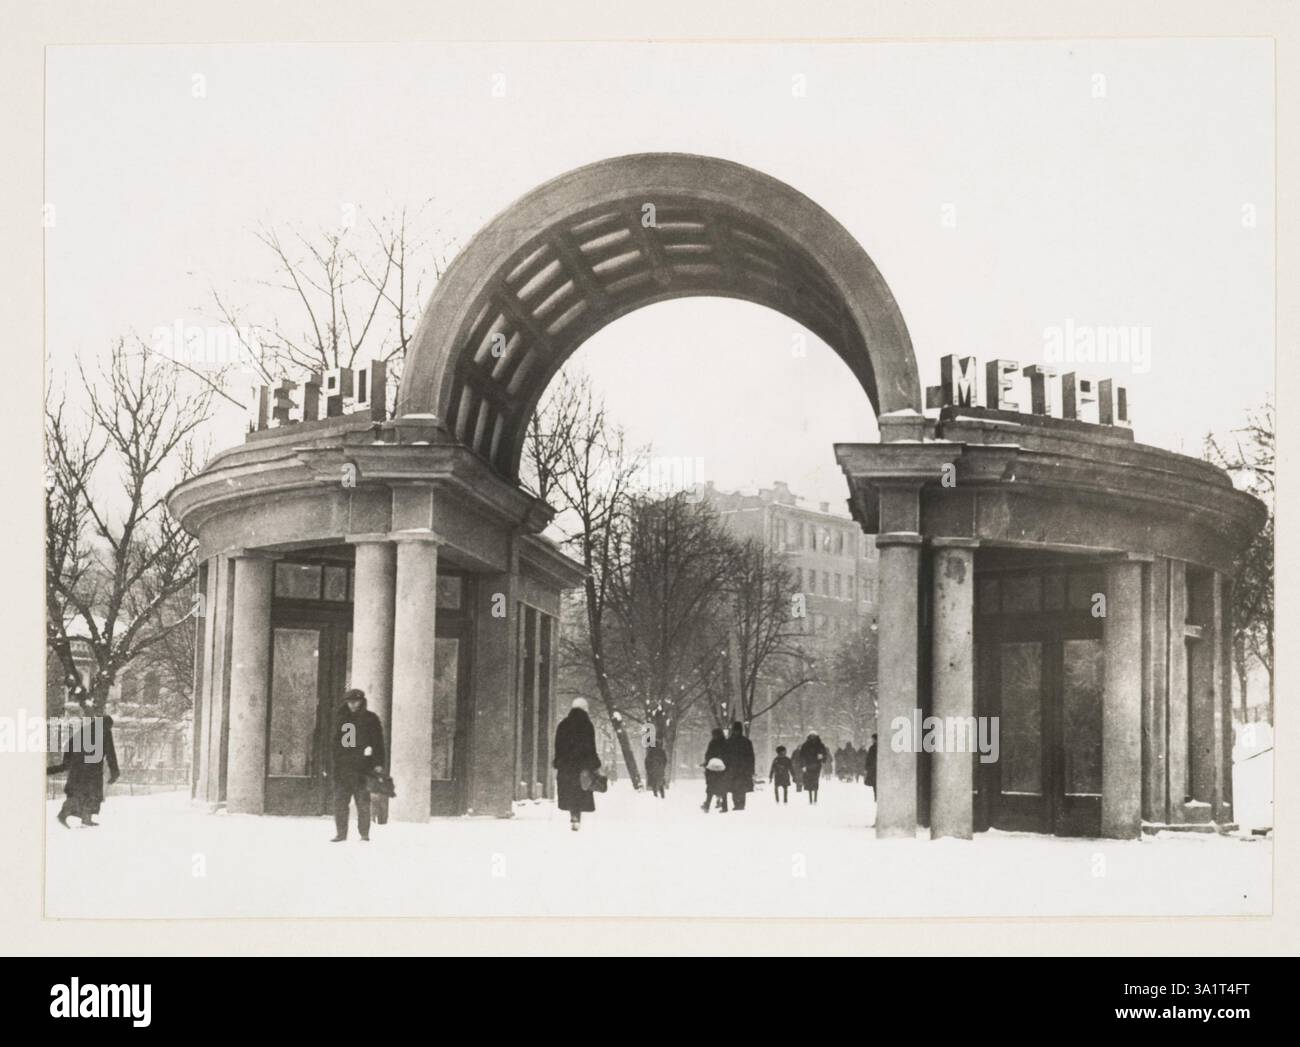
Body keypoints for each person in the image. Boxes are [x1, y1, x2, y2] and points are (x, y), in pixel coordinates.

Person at [47, 698, 119, 828]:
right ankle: (64, 815)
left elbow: (70, 744)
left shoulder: (87, 729)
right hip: (91, 771)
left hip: (79, 769)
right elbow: (111, 753)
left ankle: (84, 818)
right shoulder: (105, 732)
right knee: (91, 794)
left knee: (80, 793)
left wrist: (67, 762)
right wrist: (115, 772)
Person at [331, 688, 385, 842]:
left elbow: (378, 743)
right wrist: (334, 763)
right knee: (340, 801)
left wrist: (378, 763)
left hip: (362, 768)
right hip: (343, 768)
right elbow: (334, 743)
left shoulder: (371, 719)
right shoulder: (340, 718)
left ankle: (364, 834)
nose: (353, 705)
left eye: (356, 702)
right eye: (350, 702)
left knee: (362, 801)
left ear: (362, 702)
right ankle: (341, 833)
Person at [554, 697, 601, 831]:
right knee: (581, 789)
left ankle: (573, 814)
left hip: (566, 765)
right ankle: (577, 815)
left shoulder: (563, 724)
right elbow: (591, 746)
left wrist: (558, 761)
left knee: (569, 790)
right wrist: (594, 763)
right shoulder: (587, 725)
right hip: (582, 765)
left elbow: (558, 745)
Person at [723, 721, 755, 811]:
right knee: (737, 787)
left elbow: (750, 756)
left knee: (738, 787)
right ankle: (738, 804)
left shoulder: (730, 742)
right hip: (740, 769)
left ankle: (739, 804)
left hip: (737, 769)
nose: (736, 732)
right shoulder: (745, 742)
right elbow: (751, 757)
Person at [797, 731, 829, 804]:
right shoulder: (806, 745)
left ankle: (814, 797)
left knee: (814, 781)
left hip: (816, 765)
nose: (813, 738)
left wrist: (822, 757)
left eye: (813, 736)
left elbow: (825, 753)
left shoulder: (819, 745)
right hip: (810, 765)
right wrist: (803, 765)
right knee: (811, 781)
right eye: (812, 736)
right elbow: (802, 756)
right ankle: (812, 797)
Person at [701, 727, 728, 812]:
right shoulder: (725, 743)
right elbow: (728, 755)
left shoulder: (712, 743)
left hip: (712, 769)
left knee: (710, 788)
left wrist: (706, 763)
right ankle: (724, 806)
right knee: (723, 787)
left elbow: (708, 755)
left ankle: (707, 805)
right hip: (723, 769)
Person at [864, 734, 878, 807]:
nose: (872, 740)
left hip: (873, 769)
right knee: (877, 783)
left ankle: (876, 797)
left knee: (875, 784)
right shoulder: (880, 747)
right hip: (877, 768)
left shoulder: (872, 748)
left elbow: (869, 758)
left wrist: (867, 767)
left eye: (873, 739)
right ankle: (877, 796)